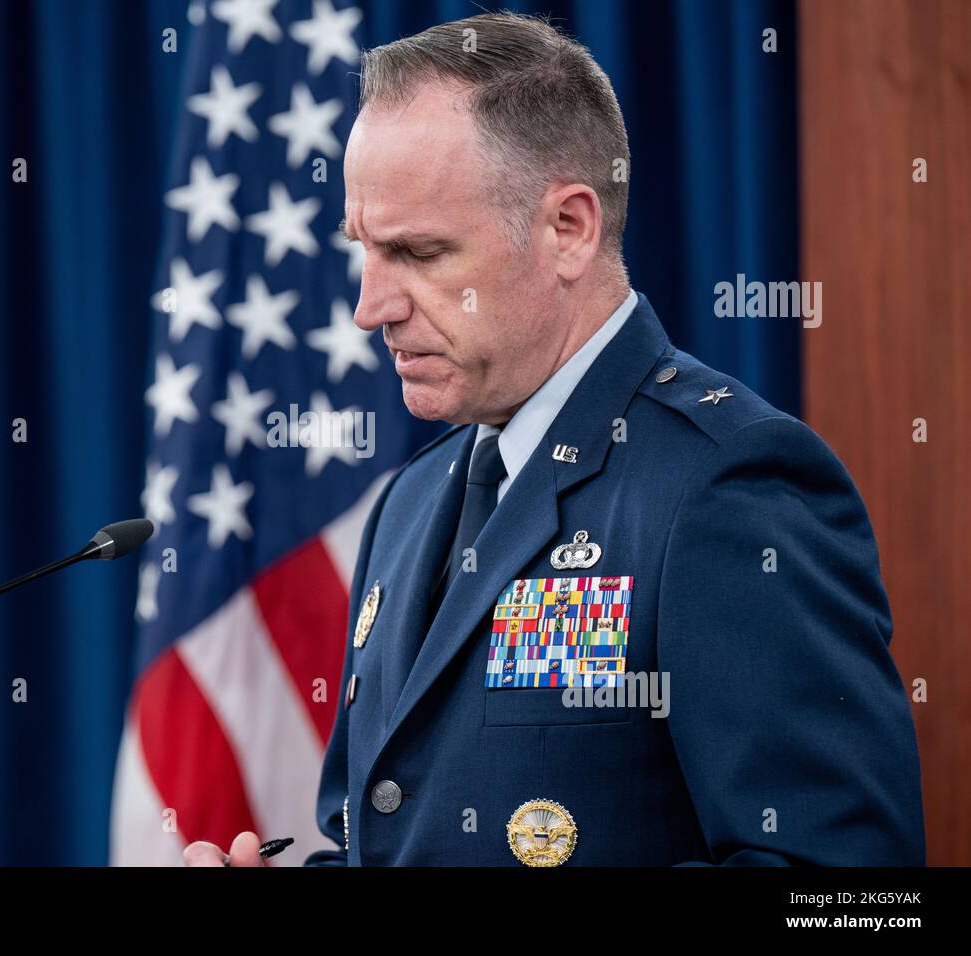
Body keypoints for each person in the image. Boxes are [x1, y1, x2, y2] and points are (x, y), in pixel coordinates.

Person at [184, 12, 923, 867]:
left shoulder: (729, 483)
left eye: (419, 253)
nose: (369, 307)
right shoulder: (411, 502)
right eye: (364, 250)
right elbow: (385, 840)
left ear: (568, 228)